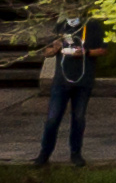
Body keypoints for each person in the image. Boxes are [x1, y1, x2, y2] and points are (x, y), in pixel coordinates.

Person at [37, 12, 96, 167]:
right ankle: (44, 154)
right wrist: (55, 48)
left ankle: (76, 153)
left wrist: (86, 52)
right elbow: (46, 52)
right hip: (61, 81)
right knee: (53, 118)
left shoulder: (91, 27)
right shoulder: (60, 27)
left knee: (78, 118)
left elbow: (102, 50)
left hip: (83, 81)